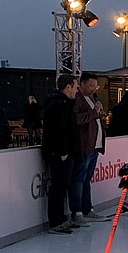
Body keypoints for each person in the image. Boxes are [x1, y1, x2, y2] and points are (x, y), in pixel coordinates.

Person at [40, 75, 81, 234]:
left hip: (65, 152)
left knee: (62, 186)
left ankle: (61, 218)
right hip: (60, 153)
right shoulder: (58, 105)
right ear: (68, 87)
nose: (76, 91)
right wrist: (63, 151)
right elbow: (57, 131)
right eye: (75, 87)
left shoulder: (63, 104)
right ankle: (55, 221)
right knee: (58, 187)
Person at [68, 72, 108, 227]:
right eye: (91, 85)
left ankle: (87, 208)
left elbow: (92, 118)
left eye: (95, 86)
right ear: (82, 83)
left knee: (86, 179)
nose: (93, 88)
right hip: (84, 146)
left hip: (93, 146)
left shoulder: (91, 99)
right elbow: (77, 120)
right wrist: (93, 113)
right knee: (78, 179)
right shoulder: (76, 99)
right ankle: (77, 211)